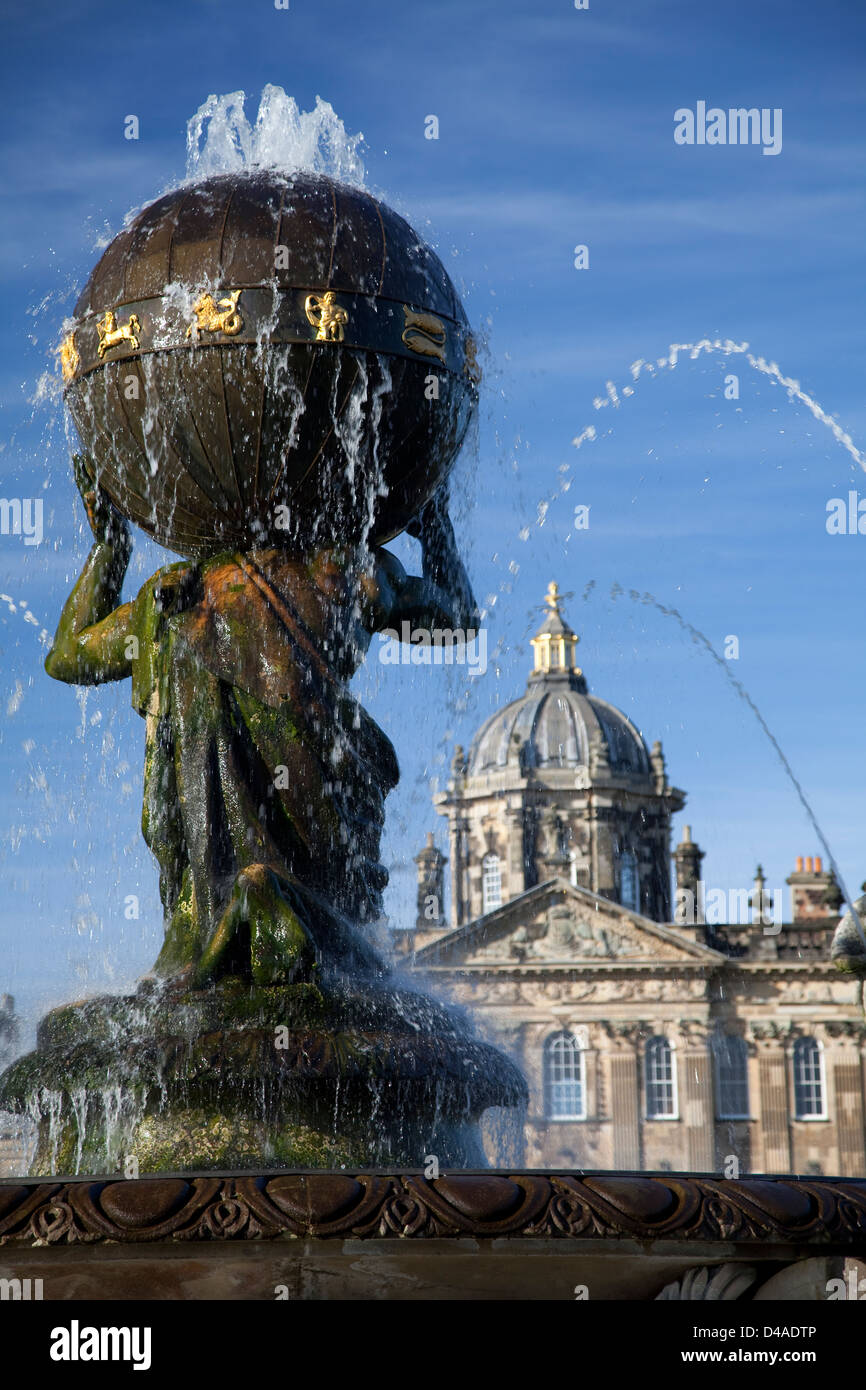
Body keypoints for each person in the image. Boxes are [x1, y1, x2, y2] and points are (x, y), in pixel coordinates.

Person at [45, 454, 479, 989]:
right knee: (358, 973)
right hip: (328, 842)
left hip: (217, 876)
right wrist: (435, 528)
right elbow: (458, 619)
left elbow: (68, 654)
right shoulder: (348, 570)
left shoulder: (176, 595)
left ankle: (235, 912)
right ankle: (271, 900)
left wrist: (110, 548)